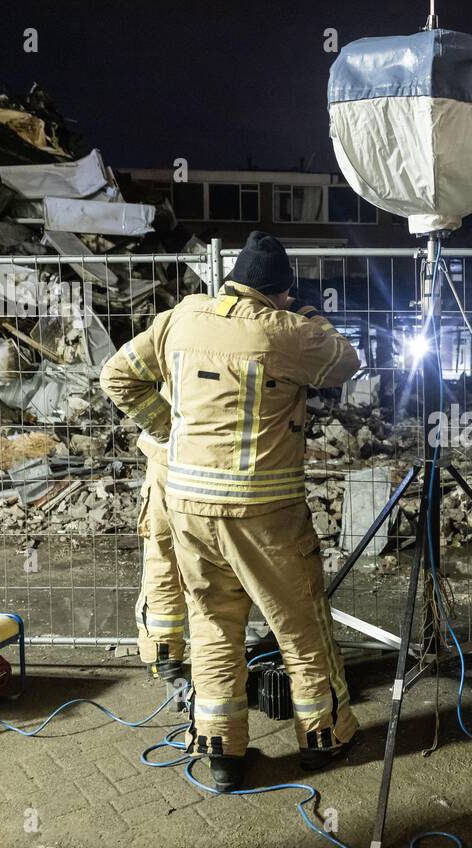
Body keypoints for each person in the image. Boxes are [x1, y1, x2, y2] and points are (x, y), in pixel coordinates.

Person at [101, 231, 361, 792]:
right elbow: (345, 361)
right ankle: (324, 736)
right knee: (299, 625)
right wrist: (309, 314)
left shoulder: (182, 317)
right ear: (280, 292)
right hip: (263, 511)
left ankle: (222, 752)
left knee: (214, 623)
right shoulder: (285, 331)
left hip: (189, 505)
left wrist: (169, 428)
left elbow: (116, 375)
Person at [101, 355, 187, 710]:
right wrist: (171, 428)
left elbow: (118, 375)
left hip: (169, 462)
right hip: (206, 467)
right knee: (197, 568)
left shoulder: (178, 323)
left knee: (163, 558)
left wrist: (168, 429)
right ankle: (174, 663)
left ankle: (165, 659)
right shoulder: (264, 324)